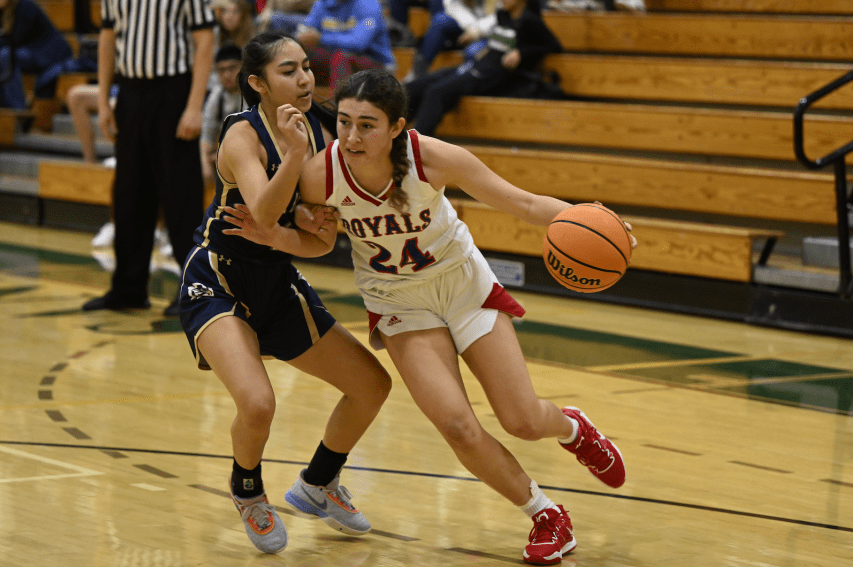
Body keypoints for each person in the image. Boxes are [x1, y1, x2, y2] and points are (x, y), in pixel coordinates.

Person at [230, 68, 632, 564]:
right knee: (457, 426)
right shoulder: (319, 174)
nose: (352, 137)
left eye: (368, 125)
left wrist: (595, 220)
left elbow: (523, 203)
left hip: (463, 286)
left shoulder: (431, 157)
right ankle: (545, 513)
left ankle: (573, 429)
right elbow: (318, 240)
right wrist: (277, 235)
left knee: (522, 420)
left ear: (397, 128)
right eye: (346, 122)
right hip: (399, 302)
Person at [177, 31, 391, 555]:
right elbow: (266, 211)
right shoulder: (241, 136)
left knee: (371, 385)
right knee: (256, 403)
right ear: (258, 83)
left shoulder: (321, 134)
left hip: (276, 281)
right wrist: (294, 166)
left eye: (306, 68)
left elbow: (319, 243)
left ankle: (318, 482)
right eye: (288, 71)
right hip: (218, 276)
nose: (304, 78)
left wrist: (300, 224)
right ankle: (248, 489)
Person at [83, 0, 215, 315]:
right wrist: (107, 98)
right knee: (128, 195)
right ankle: (128, 288)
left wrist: (194, 106)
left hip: (174, 91)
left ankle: (194, 292)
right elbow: (108, 36)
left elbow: (204, 42)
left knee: (181, 198)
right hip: (130, 93)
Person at [405, 0, 562, 136]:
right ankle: (394, 141)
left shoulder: (530, 21)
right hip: (478, 66)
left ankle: (416, 151)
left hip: (492, 76)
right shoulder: (503, 15)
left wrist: (521, 53)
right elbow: (502, 42)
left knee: (436, 93)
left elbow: (554, 46)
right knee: (416, 86)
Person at [295, 0, 395, 92]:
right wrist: (301, 38)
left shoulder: (368, 4)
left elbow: (359, 43)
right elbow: (305, 29)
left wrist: (320, 38)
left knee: (341, 57)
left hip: (376, 64)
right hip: (336, 61)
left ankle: (339, 110)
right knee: (299, 55)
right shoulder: (322, 3)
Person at [0, 0, 74, 108]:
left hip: (48, 54)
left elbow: (16, 40)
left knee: (5, 54)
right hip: (28, 52)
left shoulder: (24, 6)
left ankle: (18, 108)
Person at [200, 44, 245, 187]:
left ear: (243, 68)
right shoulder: (216, 96)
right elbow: (206, 135)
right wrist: (205, 166)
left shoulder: (254, 93)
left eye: (232, 68)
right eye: (221, 70)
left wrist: (224, 155)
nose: (227, 75)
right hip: (226, 159)